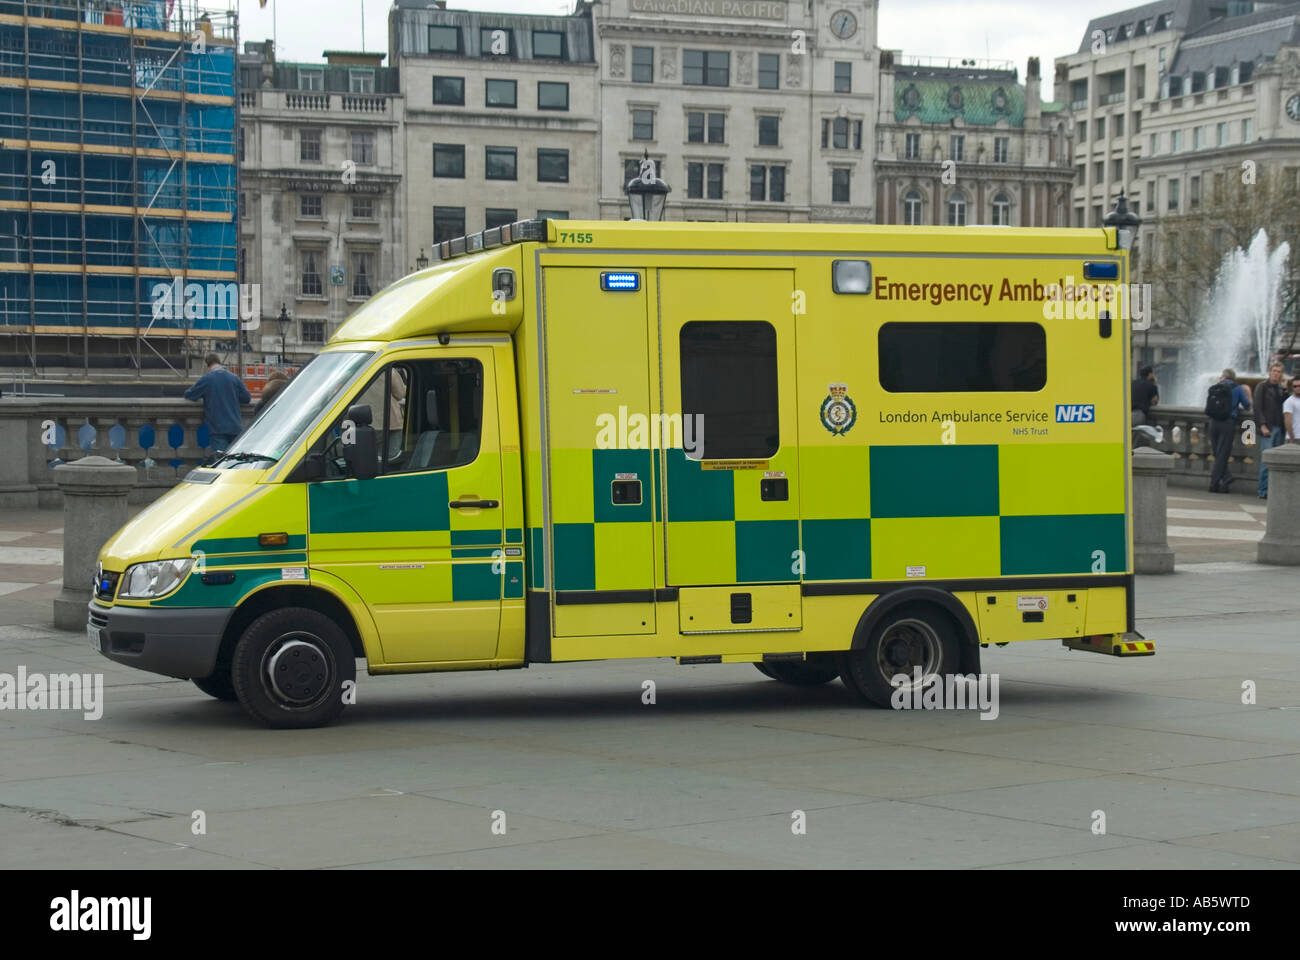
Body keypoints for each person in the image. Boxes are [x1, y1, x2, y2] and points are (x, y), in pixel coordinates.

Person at [184, 352, 250, 455]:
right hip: (235, 426)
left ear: (207, 365)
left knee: (221, 461)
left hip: (218, 428)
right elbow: (246, 398)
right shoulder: (234, 378)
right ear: (219, 362)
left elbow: (190, 394)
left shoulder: (207, 379)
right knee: (235, 461)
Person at [1205, 367, 1251, 494]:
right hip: (1227, 423)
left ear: (1224, 377)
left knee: (1216, 452)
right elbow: (1247, 406)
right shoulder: (1238, 388)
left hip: (1213, 422)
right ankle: (1215, 483)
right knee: (1222, 454)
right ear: (1234, 378)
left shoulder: (1216, 387)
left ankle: (1226, 478)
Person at [1253, 362, 1287, 498]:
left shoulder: (1280, 388)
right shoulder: (1262, 386)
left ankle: (1272, 490)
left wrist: (1284, 391)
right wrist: (1262, 425)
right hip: (1268, 428)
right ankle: (1262, 490)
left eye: (1279, 372)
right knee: (1266, 461)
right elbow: (1257, 407)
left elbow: (1284, 407)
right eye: (1274, 371)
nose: (1276, 373)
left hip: (1279, 427)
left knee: (1276, 461)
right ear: (1269, 372)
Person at [1285, 377, 1300, 444]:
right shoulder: (1289, 401)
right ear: (1292, 387)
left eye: (1299, 386)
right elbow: (1288, 421)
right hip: (1295, 438)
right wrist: (1292, 438)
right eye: (1295, 386)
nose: (1297, 388)